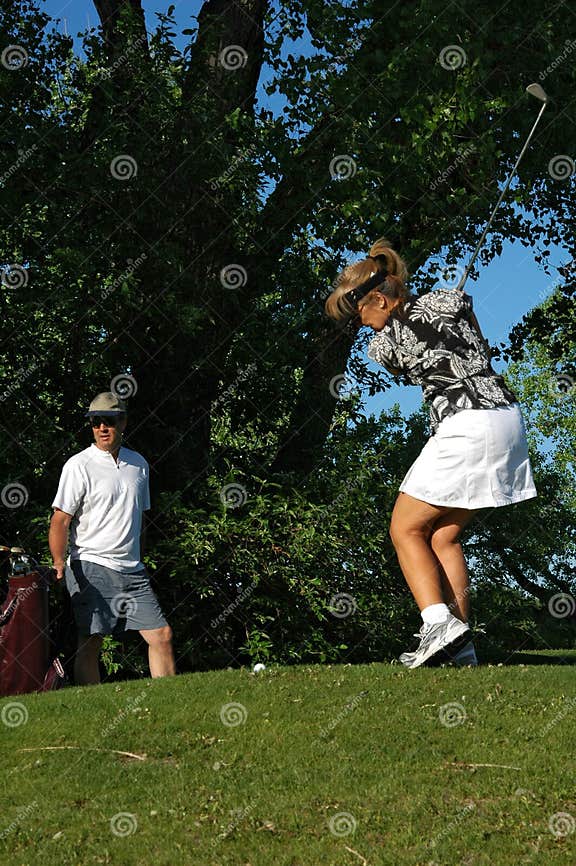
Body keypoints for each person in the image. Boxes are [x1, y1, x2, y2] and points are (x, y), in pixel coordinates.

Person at [324, 239, 537, 668]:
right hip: (507, 419)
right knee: (443, 536)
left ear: (380, 299)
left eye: (361, 316)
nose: (363, 328)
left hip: (467, 423)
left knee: (404, 529)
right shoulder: (449, 300)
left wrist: (406, 322)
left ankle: (437, 622)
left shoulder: (385, 343)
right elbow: (460, 314)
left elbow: (396, 354)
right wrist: (440, 307)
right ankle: (463, 652)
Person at [49, 391, 176, 685]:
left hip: (133, 569)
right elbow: (60, 520)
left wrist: (140, 559)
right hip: (91, 564)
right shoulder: (78, 465)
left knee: (161, 635)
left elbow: (139, 519)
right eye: (96, 422)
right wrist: (58, 564)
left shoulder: (139, 464)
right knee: (92, 639)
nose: (102, 428)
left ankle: (170, 703)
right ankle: (91, 708)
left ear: (123, 422)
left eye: (109, 421)